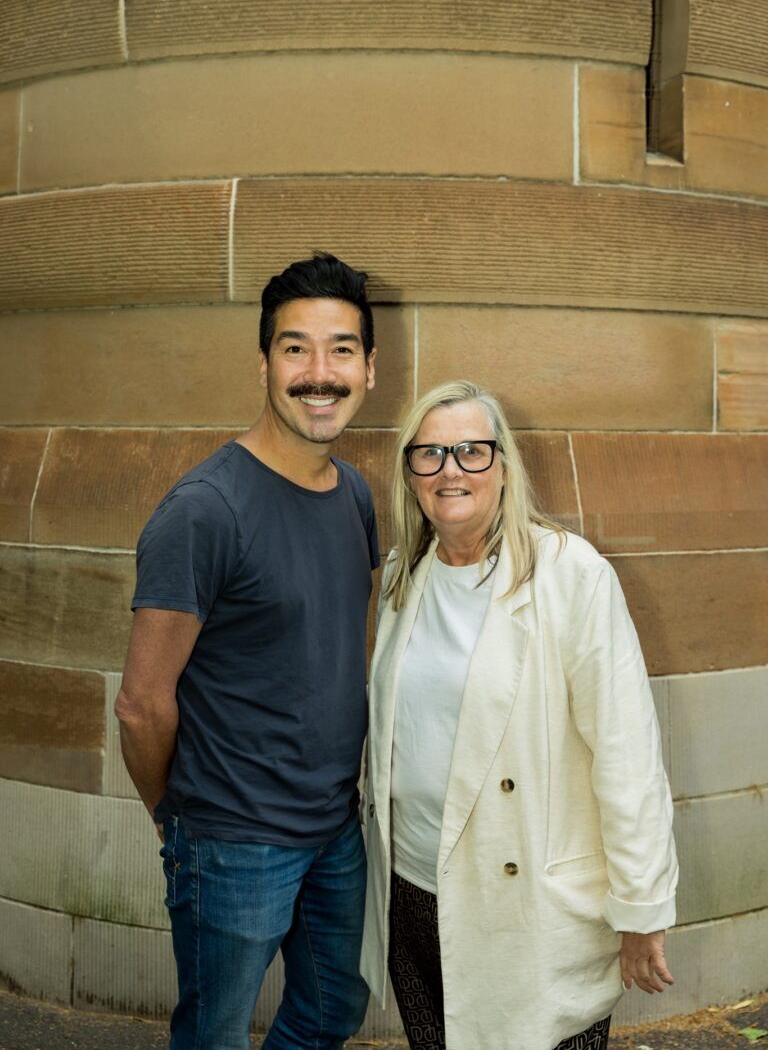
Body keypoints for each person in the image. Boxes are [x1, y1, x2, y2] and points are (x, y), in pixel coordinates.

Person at [360, 380, 678, 1050]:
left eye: (472, 450)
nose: (451, 469)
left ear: (503, 465)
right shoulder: (401, 574)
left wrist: (641, 908)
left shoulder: (571, 576)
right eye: (430, 453)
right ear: (410, 473)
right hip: (414, 891)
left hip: (528, 906)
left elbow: (626, 753)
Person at [115, 253, 379, 1050]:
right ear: (263, 363)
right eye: (295, 348)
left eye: (341, 349)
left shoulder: (359, 494)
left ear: (371, 367)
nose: (319, 372)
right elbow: (140, 701)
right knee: (215, 1036)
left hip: (334, 826)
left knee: (333, 1008)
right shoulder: (204, 511)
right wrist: (179, 816)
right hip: (232, 840)